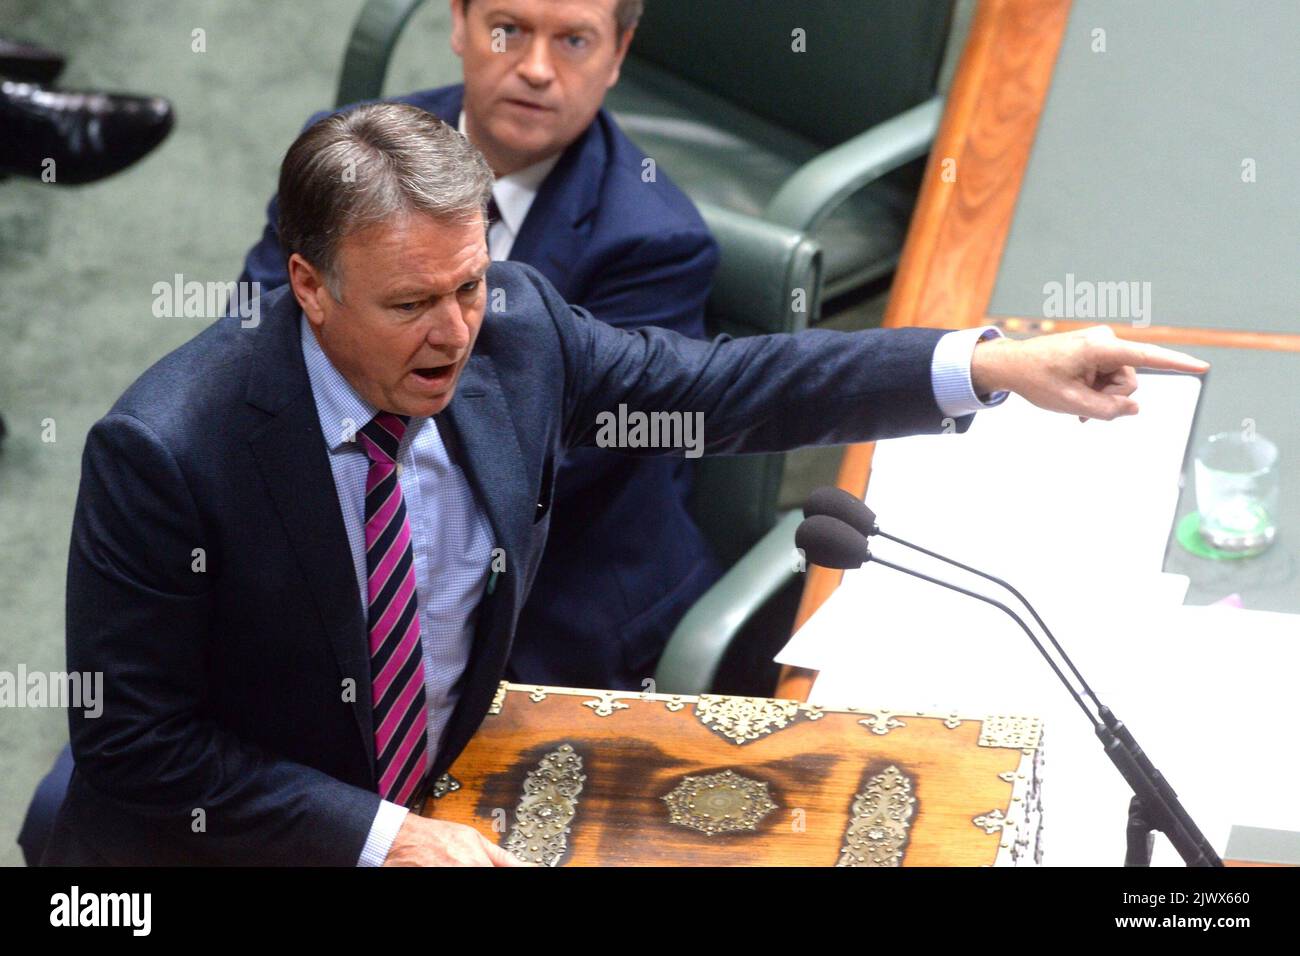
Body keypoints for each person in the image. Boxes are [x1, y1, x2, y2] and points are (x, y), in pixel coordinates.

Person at [42, 103, 1207, 866]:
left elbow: (729, 387)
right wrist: (380, 836)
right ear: (307, 283)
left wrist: (986, 360)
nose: (456, 333)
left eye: (469, 283)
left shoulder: (519, 332)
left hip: (448, 786)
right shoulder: (166, 451)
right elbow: (134, 742)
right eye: (410, 304)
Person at [239, 0, 720, 691]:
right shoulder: (342, 155)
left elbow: (547, 456)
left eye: (575, 41)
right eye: (508, 30)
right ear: (459, 24)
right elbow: (261, 328)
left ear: (619, 54)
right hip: (330, 541)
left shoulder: (656, 241)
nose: (534, 69)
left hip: (543, 604)